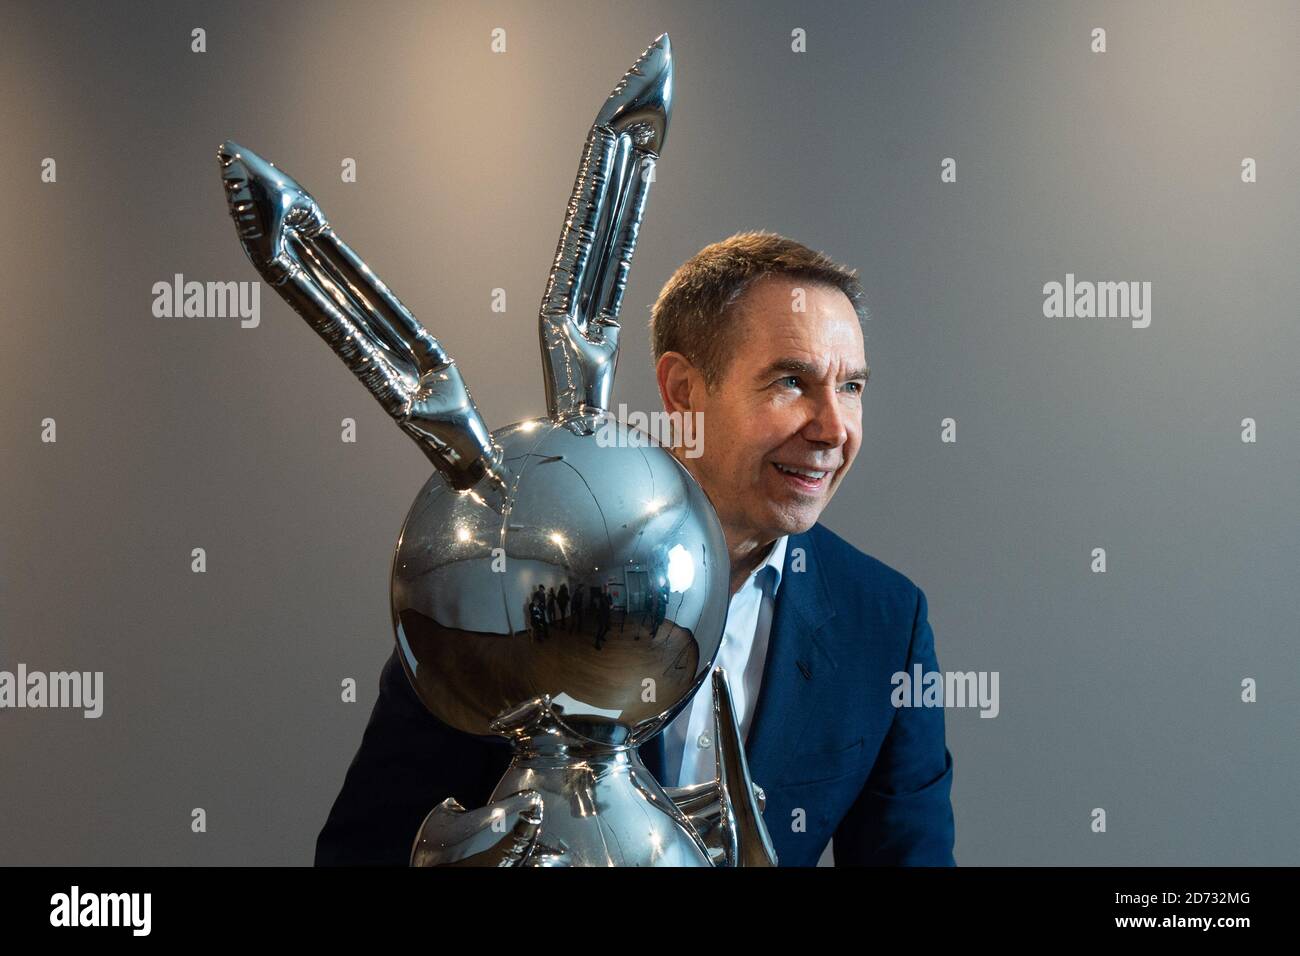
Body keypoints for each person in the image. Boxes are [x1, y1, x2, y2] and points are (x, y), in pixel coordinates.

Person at [315, 231, 955, 866]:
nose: (833, 428)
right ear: (682, 391)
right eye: (792, 381)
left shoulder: (886, 623)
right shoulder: (508, 572)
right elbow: (363, 852)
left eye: (852, 388)